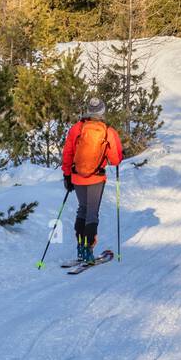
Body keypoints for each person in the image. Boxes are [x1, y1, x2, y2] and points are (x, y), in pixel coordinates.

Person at [61, 97, 123, 264]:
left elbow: (67, 153)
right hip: (96, 177)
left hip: (77, 176)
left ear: (88, 110)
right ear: (102, 112)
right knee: (92, 213)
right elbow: (116, 159)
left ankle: (80, 249)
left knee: (82, 209)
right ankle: (88, 251)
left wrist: (67, 175)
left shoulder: (77, 128)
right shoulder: (108, 131)